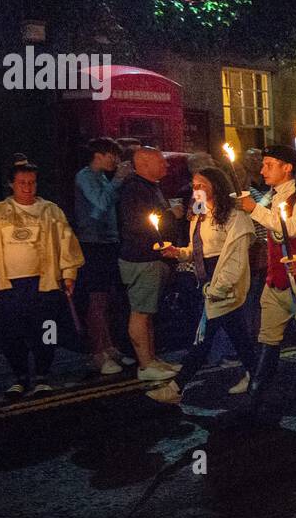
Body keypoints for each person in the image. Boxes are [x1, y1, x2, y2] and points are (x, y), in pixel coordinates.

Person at [146, 167, 256, 405]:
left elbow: (235, 256)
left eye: (201, 185)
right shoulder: (199, 215)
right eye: (194, 185)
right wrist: (178, 253)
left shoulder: (234, 217)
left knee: (203, 336)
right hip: (206, 279)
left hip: (223, 281)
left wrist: (219, 287)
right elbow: (198, 251)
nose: (196, 190)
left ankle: (176, 387)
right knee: (239, 335)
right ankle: (257, 374)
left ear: (216, 187)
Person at [0, 157, 85, 399]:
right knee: (12, 332)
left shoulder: (50, 211)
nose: (27, 188)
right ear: (11, 185)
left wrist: (69, 273)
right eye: (22, 183)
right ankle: (19, 377)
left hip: (44, 282)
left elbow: (67, 244)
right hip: (9, 285)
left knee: (47, 329)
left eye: (32, 183)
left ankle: (43, 375)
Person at [239, 145, 296, 417]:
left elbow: (291, 228)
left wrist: (255, 209)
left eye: (269, 164)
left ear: (287, 167)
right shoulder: (271, 197)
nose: (262, 170)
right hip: (276, 282)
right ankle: (254, 400)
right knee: (268, 342)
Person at [116, 146, 179, 382]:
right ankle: (145, 364)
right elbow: (138, 223)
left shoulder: (149, 187)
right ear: (143, 164)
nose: (166, 165)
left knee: (148, 311)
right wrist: (172, 215)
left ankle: (152, 359)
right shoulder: (134, 189)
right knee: (141, 312)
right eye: (161, 161)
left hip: (152, 258)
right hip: (142, 258)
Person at [73, 136, 132, 376]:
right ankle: (99, 352)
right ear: (100, 154)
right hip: (93, 244)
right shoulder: (85, 176)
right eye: (113, 155)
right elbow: (99, 205)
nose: (116, 160)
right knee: (96, 299)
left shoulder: (99, 177)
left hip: (106, 242)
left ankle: (107, 346)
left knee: (106, 299)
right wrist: (118, 180)